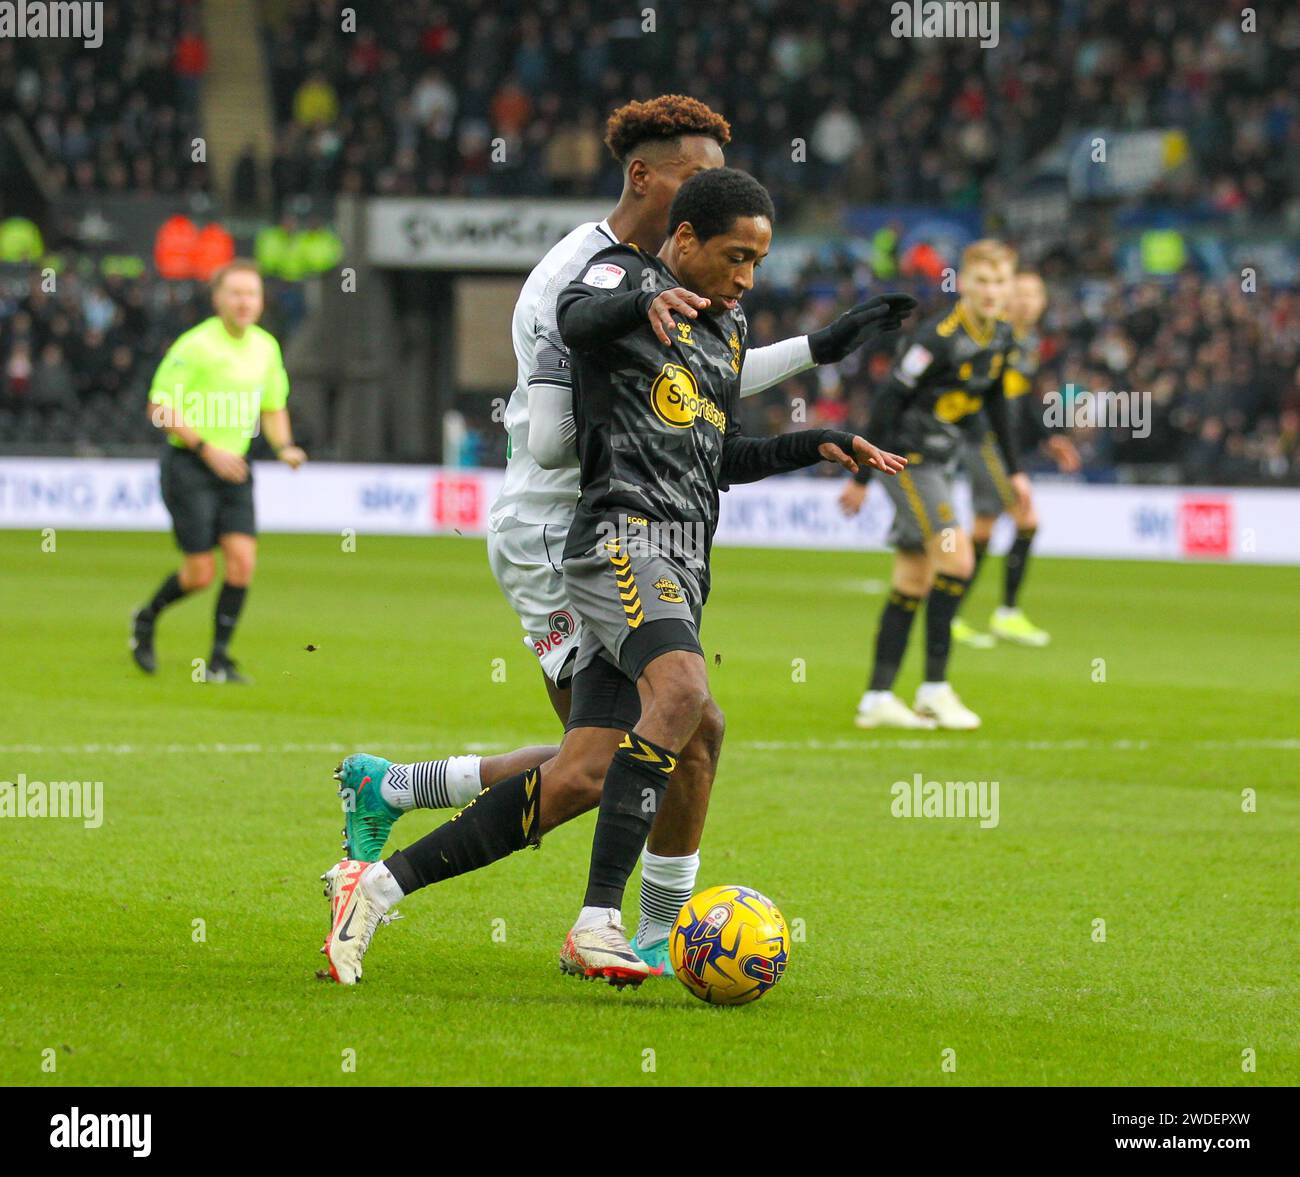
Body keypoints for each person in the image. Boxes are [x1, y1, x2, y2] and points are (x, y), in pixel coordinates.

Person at [329, 96, 909, 974]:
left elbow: (693, 380)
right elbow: (566, 434)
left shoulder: (673, 279)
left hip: (633, 521)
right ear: (645, 176)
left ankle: (612, 911)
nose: (710, 183)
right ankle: (590, 912)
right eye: (695, 169)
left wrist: (816, 351)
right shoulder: (579, 272)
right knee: (622, 748)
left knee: (646, 743)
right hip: (562, 527)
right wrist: (645, 441)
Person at [839, 240, 1027, 730]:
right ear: (964, 283)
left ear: (1010, 287)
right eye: (982, 281)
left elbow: (997, 408)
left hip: (941, 465)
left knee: (913, 579)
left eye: (1000, 282)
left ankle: (877, 698)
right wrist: (860, 474)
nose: (991, 291)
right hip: (909, 462)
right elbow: (888, 400)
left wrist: (1016, 470)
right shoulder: (937, 337)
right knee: (958, 560)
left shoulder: (1001, 337)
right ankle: (935, 689)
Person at [130, 259, 305, 683]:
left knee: (242, 563)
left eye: (252, 294)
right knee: (200, 574)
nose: (245, 302)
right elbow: (158, 408)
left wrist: (284, 446)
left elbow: (273, 406)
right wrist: (206, 449)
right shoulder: (194, 346)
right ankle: (146, 619)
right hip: (190, 465)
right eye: (236, 293)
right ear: (218, 299)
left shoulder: (266, 347)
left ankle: (218, 661)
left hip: (236, 467)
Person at [951, 270, 1081, 648]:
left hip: (1000, 443)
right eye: (1019, 293)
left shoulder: (1028, 342)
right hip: (982, 440)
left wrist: (1049, 439)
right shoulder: (995, 336)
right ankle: (1004, 614)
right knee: (1027, 519)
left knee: (984, 530)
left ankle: (952, 612)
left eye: (1034, 294)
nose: (1027, 300)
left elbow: (1018, 402)